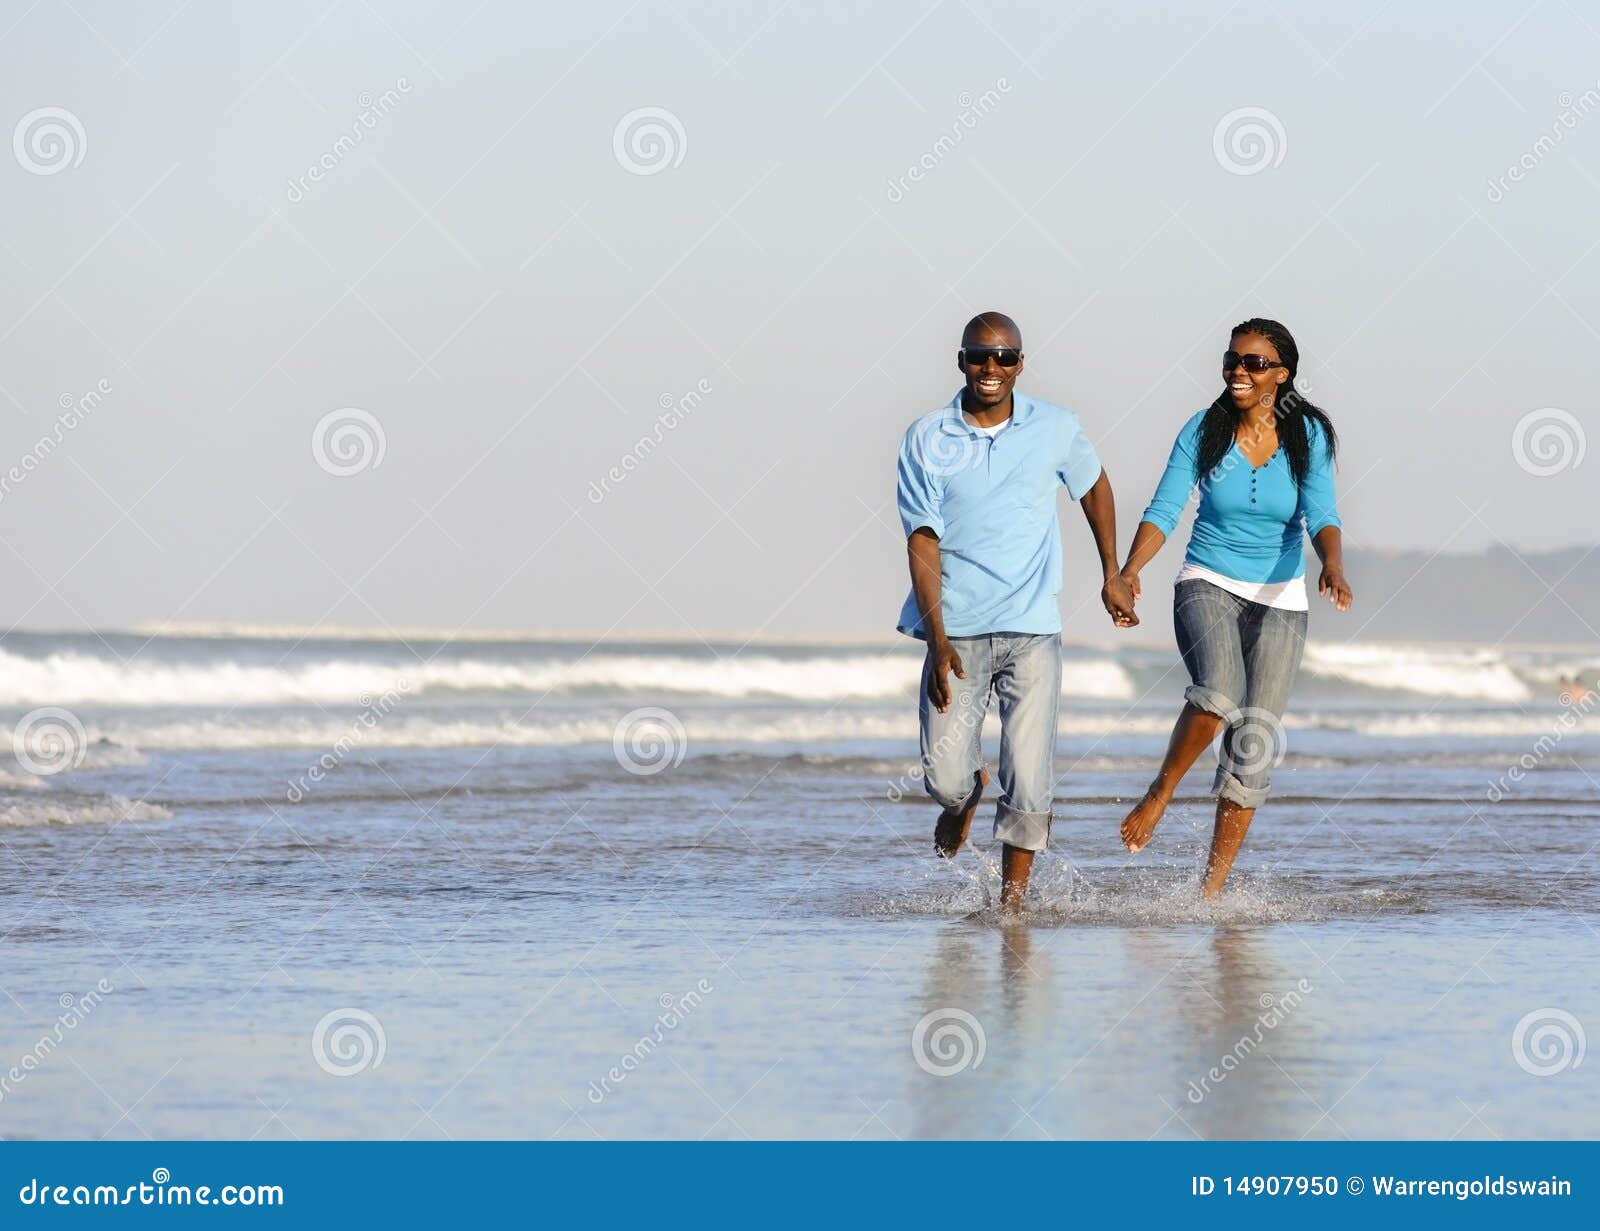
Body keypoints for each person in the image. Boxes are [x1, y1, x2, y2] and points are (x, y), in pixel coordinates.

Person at [896, 312, 1135, 912]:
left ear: (1021, 364)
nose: (991, 368)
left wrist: (1112, 571)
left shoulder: (1055, 426)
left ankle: (1012, 907)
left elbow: (1094, 485)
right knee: (943, 778)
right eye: (980, 356)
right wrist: (936, 638)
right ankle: (966, 795)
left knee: (1030, 778)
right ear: (961, 361)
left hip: (1033, 628)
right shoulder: (926, 436)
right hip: (957, 629)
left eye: (1005, 358)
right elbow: (922, 540)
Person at [1113, 318, 1351, 897]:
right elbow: (1166, 507)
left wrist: (1333, 565)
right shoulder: (1204, 430)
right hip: (1208, 580)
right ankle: (1161, 791)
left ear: (1282, 375)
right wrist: (1129, 570)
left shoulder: (1309, 437)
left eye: (1254, 364)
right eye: (1233, 360)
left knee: (1254, 744)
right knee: (1219, 690)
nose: (1239, 372)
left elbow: (1322, 513)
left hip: (1281, 597)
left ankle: (1210, 895)